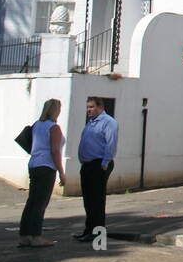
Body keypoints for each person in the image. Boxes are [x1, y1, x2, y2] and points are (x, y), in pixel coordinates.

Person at [18, 99, 65, 248]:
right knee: (41, 202)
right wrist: (61, 172)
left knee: (32, 201)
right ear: (56, 110)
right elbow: (55, 150)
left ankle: (25, 236)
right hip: (46, 166)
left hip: (34, 164)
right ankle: (36, 236)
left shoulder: (37, 125)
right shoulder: (54, 127)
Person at [75, 96, 118, 242]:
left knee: (97, 200)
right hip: (87, 164)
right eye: (87, 107)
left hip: (99, 163)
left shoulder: (109, 122)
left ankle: (97, 232)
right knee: (88, 200)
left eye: (91, 107)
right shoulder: (91, 123)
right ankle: (88, 230)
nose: (89, 110)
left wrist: (105, 163)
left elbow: (111, 143)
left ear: (100, 107)